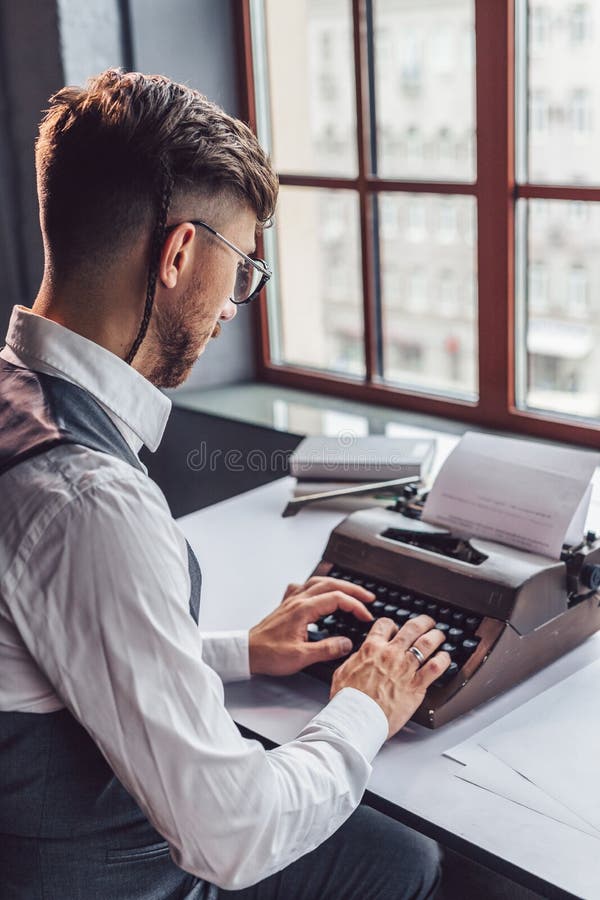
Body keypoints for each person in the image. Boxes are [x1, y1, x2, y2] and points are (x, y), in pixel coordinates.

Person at [0, 69, 450, 900]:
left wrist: (239, 651)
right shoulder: (87, 499)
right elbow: (231, 835)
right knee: (406, 860)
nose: (237, 303)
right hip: (116, 879)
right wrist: (367, 703)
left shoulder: (16, 398)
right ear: (179, 254)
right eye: (241, 267)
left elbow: (53, 650)